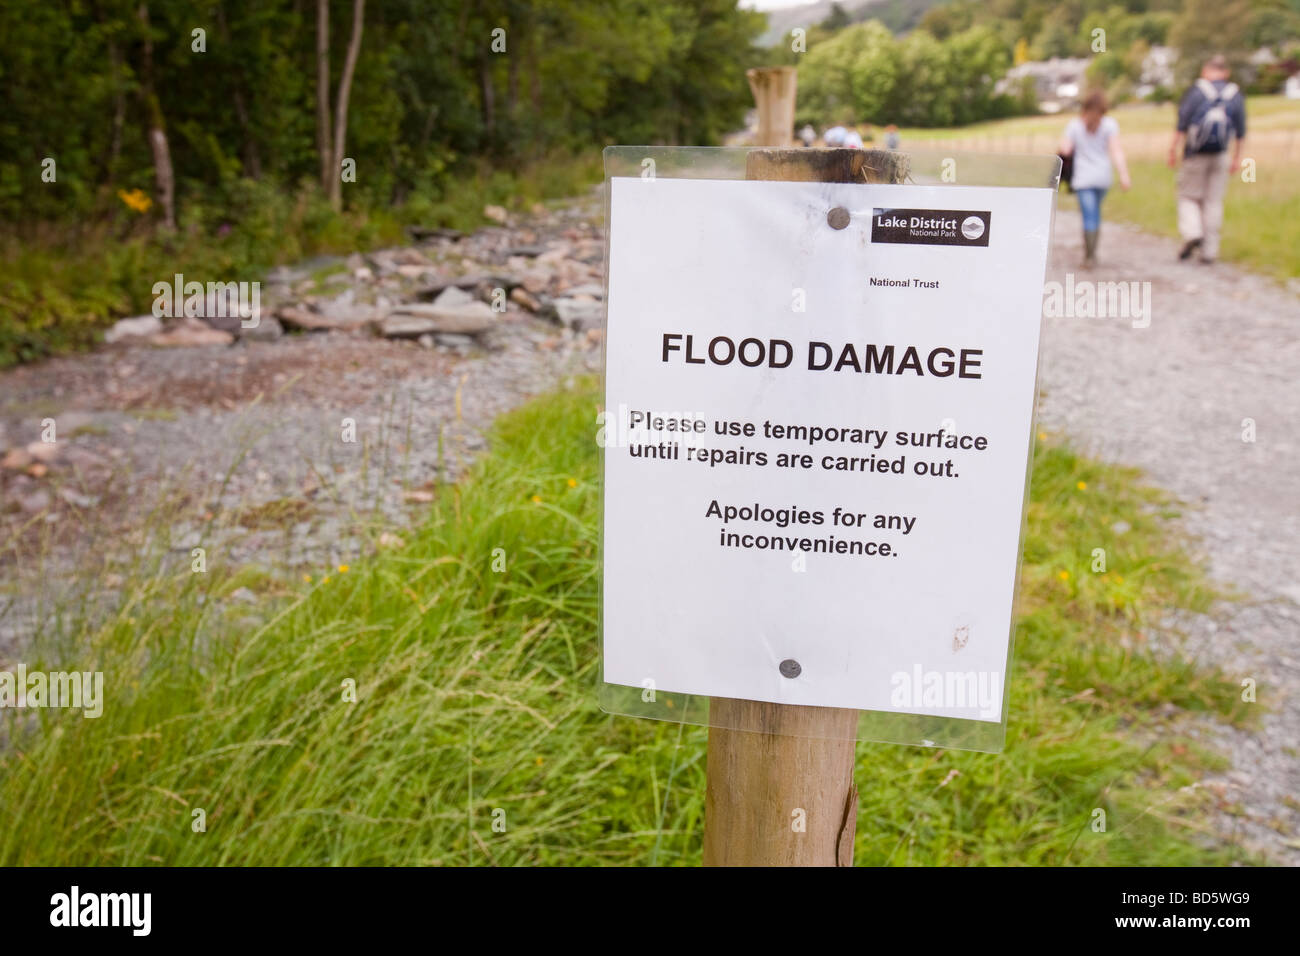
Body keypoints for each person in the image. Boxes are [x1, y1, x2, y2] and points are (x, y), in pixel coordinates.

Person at [1168, 54, 1246, 264]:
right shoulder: (1235, 94)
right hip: (1221, 154)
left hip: (1195, 154)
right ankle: (1210, 251)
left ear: (1205, 71)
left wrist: (1172, 150)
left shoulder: (1197, 92)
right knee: (1213, 201)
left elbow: (1181, 125)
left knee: (1188, 196)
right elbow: (1240, 132)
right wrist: (1237, 158)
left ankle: (1193, 232)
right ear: (1226, 72)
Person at [1057, 90, 1131, 267]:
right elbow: (1116, 151)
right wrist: (1124, 175)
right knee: (1095, 213)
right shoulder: (1109, 125)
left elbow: (1065, 150)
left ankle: (1090, 255)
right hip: (1102, 177)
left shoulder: (1075, 126)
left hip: (1083, 178)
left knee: (1089, 215)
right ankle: (1092, 253)